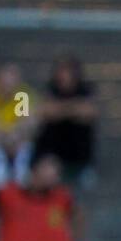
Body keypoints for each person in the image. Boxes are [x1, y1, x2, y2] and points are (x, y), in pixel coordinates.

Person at [33, 56, 99, 189]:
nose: (63, 76)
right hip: (55, 142)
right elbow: (45, 111)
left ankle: (84, 169)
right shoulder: (51, 88)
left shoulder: (85, 89)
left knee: (82, 127)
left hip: (77, 145)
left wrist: (60, 109)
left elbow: (89, 112)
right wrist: (73, 108)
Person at [0, 64, 38, 187]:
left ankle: (21, 171)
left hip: (16, 137)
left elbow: (25, 120)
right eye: (4, 82)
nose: (7, 87)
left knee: (30, 128)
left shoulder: (23, 94)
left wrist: (14, 134)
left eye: (11, 83)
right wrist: (4, 134)